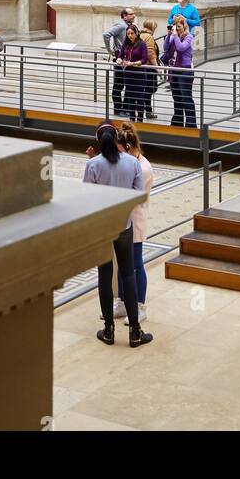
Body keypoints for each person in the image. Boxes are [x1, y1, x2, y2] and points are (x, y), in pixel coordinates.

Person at [83, 123, 153, 348]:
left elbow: (87, 197)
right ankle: (135, 331)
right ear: (115, 139)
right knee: (128, 274)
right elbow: (139, 195)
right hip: (124, 225)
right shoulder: (133, 163)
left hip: (102, 227)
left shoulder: (92, 164)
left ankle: (109, 330)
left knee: (104, 276)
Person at [113, 123, 154, 324]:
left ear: (128, 148)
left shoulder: (143, 168)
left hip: (135, 219)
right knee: (122, 264)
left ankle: (139, 306)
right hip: (122, 219)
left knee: (136, 264)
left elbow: (131, 194)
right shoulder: (128, 162)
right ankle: (121, 301)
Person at [163, 14, 196, 127]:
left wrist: (176, 35)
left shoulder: (189, 36)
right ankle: (177, 123)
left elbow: (181, 47)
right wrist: (168, 35)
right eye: (174, 26)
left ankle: (191, 124)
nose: (176, 29)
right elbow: (166, 48)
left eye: (179, 26)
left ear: (184, 26)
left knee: (186, 97)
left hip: (184, 70)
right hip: (174, 69)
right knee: (176, 98)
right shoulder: (173, 36)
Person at [102, 7, 135, 117]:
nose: (133, 15)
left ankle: (124, 109)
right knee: (119, 84)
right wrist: (110, 50)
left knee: (126, 84)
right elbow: (106, 34)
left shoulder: (129, 26)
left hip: (128, 58)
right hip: (120, 57)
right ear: (124, 16)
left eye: (133, 14)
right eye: (131, 14)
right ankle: (118, 109)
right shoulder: (121, 25)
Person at [120, 23, 149, 123]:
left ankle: (140, 120)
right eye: (128, 34)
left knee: (139, 97)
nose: (130, 35)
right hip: (128, 73)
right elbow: (120, 55)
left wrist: (132, 63)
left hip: (139, 74)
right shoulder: (126, 43)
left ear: (136, 33)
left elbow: (144, 59)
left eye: (132, 33)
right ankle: (132, 119)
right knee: (130, 98)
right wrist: (119, 60)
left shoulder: (142, 44)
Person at [140, 20, 160, 121]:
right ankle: (147, 110)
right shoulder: (149, 37)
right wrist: (158, 69)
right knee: (149, 90)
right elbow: (151, 54)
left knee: (145, 90)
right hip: (148, 68)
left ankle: (144, 109)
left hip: (141, 67)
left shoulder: (140, 35)